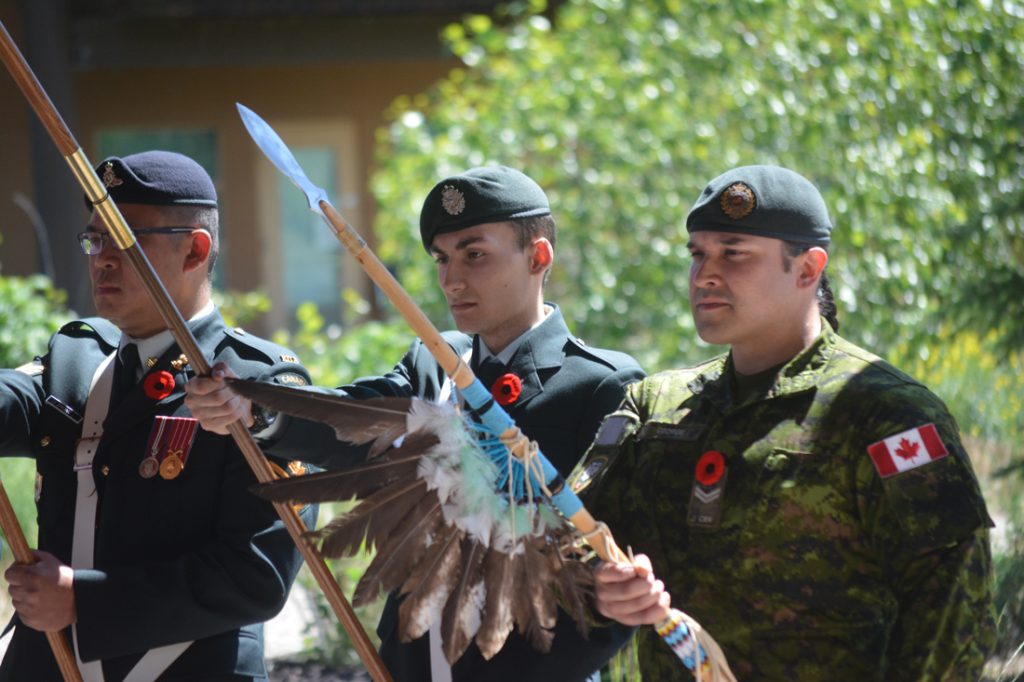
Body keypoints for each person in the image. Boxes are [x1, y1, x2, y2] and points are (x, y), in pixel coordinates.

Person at [185, 165, 646, 681]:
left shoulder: (601, 387)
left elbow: (618, 575)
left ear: (538, 256)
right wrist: (257, 409)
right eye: (442, 259)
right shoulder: (436, 364)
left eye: (474, 255)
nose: (451, 280)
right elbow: (352, 420)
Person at [573, 165, 997, 680]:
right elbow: (560, 547)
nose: (704, 275)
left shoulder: (884, 413)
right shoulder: (656, 404)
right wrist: (601, 587)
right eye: (697, 254)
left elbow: (953, 611)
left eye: (733, 253)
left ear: (807, 268)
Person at [0, 150, 314, 681]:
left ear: (195, 250)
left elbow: (256, 575)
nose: (102, 258)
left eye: (125, 240)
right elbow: (12, 399)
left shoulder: (256, 389)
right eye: (94, 238)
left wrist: (83, 602)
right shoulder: (77, 359)